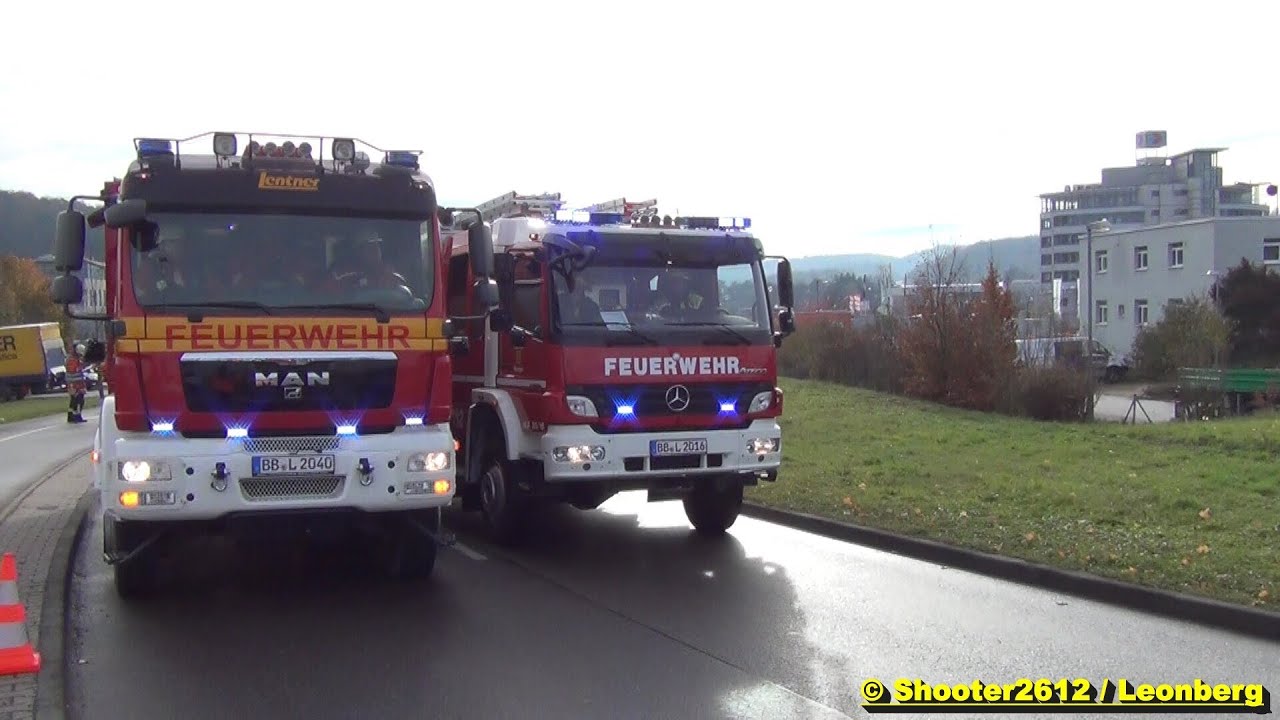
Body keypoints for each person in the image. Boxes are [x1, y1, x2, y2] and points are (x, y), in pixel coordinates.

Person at [65, 343, 87, 423]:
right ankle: (75, 416)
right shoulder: (72, 359)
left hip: (78, 383)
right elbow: (73, 370)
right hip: (74, 383)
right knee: (77, 400)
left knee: (76, 400)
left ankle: (72, 416)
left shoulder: (75, 359)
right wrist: (80, 368)